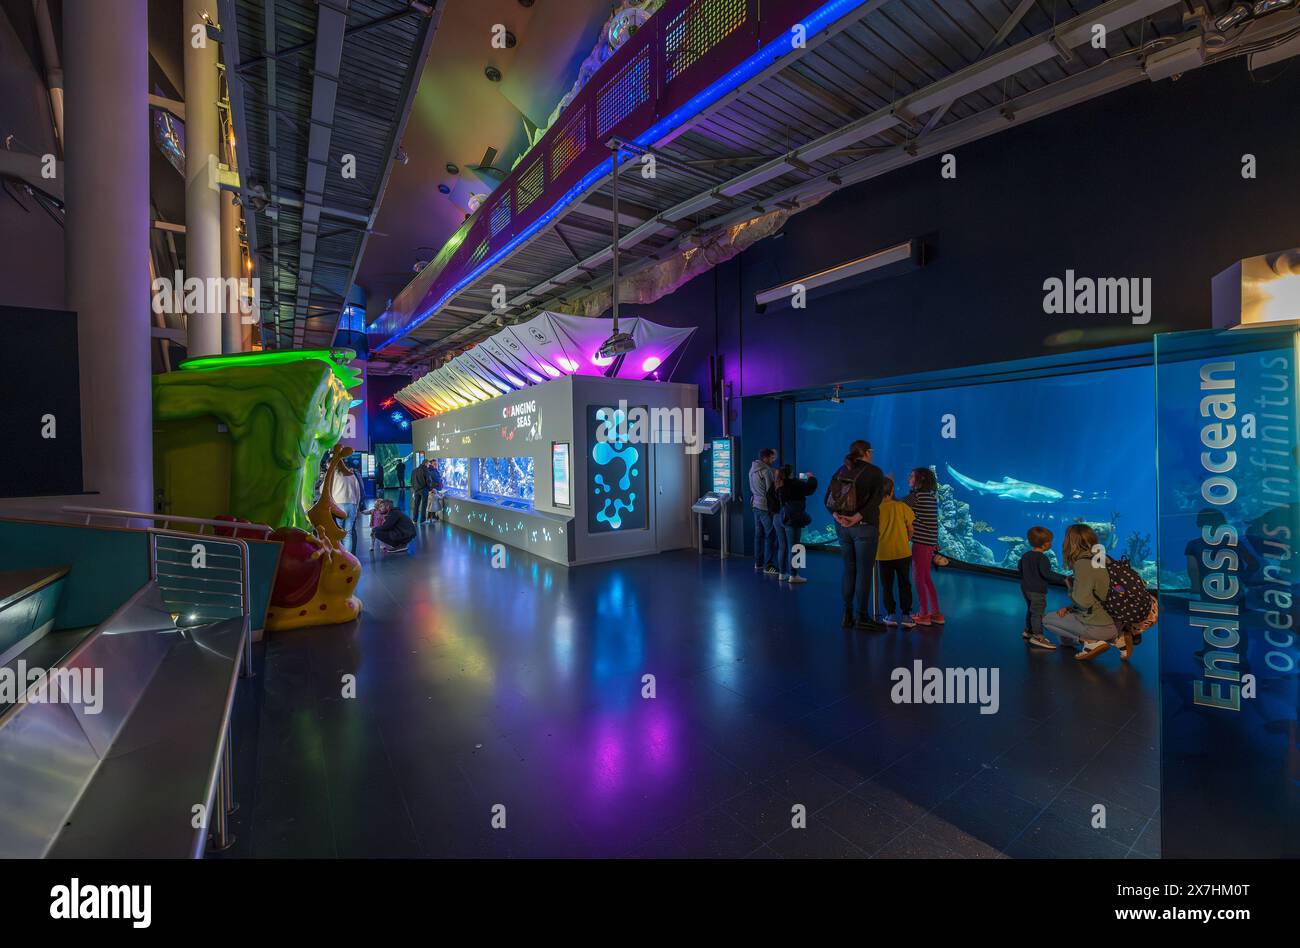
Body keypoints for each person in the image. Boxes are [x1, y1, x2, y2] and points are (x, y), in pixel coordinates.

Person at [825, 440, 885, 631]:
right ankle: (862, 617)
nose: (872, 454)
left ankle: (847, 615)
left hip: (842, 528)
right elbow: (876, 500)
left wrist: (839, 517)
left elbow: (827, 498)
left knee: (849, 569)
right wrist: (857, 517)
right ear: (867, 452)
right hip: (865, 527)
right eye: (871, 451)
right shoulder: (874, 472)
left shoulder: (841, 470)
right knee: (864, 571)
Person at [1042, 523, 1119, 660]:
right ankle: (1119, 639)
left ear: (1071, 542)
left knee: (1047, 620)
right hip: (1116, 622)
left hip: (1099, 625)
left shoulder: (1083, 563)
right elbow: (1099, 594)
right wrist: (1070, 608)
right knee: (1064, 638)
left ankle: (1090, 642)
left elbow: (1084, 601)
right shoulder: (1102, 557)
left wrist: (1070, 587)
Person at [902, 466, 944, 627]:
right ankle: (936, 613)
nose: (909, 479)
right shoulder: (931, 497)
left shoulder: (917, 497)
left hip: (921, 544)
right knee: (926, 578)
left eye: (912, 476)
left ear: (920, 480)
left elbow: (897, 504)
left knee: (918, 578)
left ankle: (924, 614)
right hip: (929, 544)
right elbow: (933, 523)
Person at [875, 477, 915, 627]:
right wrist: (906, 540)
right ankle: (906, 616)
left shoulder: (876, 509)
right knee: (904, 584)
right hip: (903, 553)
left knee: (887, 585)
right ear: (892, 491)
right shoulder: (902, 507)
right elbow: (911, 529)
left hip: (883, 554)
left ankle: (890, 615)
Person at [1019, 525, 1066, 650]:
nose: (1051, 544)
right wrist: (1063, 578)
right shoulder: (1043, 558)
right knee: (1038, 613)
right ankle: (1038, 636)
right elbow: (1047, 574)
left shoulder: (1026, 555)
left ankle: (1028, 631)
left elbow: (1020, 569)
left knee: (1030, 609)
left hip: (1025, 588)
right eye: (1050, 542)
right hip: (1037, 590)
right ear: (1045, 545)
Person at [775, 465, 818, 585]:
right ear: (791, 473)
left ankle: (782, 573)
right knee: (794, 547)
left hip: (779, 517)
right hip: (792, 519)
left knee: (782, 546)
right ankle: (794, 575)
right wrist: (811, 477)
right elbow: (810, 488)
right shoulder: (795, 484)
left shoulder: (778, 484)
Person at [749, 448, 779, 575]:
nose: (773, 460)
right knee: (770, 535)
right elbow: (770, 490)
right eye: (772, 458)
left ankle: (758, 563)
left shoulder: (752, 468)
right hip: (764, 507)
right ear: (765, 458)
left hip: (755, 504)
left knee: (758, 535)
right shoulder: (766, 470)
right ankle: (769, 565)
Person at [331, 461, 363, 554]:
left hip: (338, 505)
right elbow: (358, 492)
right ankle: (348, 557)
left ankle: (340, 556)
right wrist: (356, 507)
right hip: (352, 505)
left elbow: (322, 489)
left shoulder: (333, 475)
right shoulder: (351, 475)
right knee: (348, 534)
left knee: (338, 533)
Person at [411, 457, 432, 523]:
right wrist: (429, 489)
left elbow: (412, 481)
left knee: (416, 505)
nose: (429, 466)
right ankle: (422, 520)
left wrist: (414, 488)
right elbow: (428, 481)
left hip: (416, 490)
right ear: (425, 464)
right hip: (424, 490)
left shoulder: (414, 470)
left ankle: (414, 519)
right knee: (424, 505)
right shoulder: (426, 470)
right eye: (428, 464)